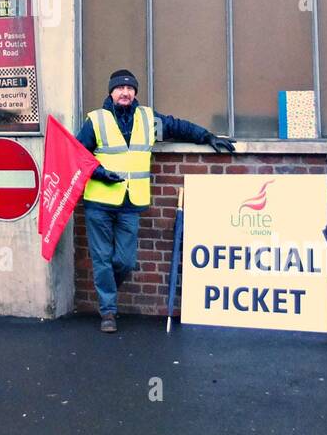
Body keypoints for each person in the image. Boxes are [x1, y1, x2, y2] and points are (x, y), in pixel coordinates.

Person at [77, 68, 235, 333]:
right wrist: (101, 173)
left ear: (135, 92)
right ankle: (108, 312)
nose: (125, 92)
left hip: (130, 203)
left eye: (130, 88)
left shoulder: (148, 118)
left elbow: (178, 126)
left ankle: (107, 293)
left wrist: (207, 136)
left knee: (124, 261)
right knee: (102, 259)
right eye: (120, 88)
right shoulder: (96, 121)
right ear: (111, 92)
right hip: (99, 202)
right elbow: (78, 155)